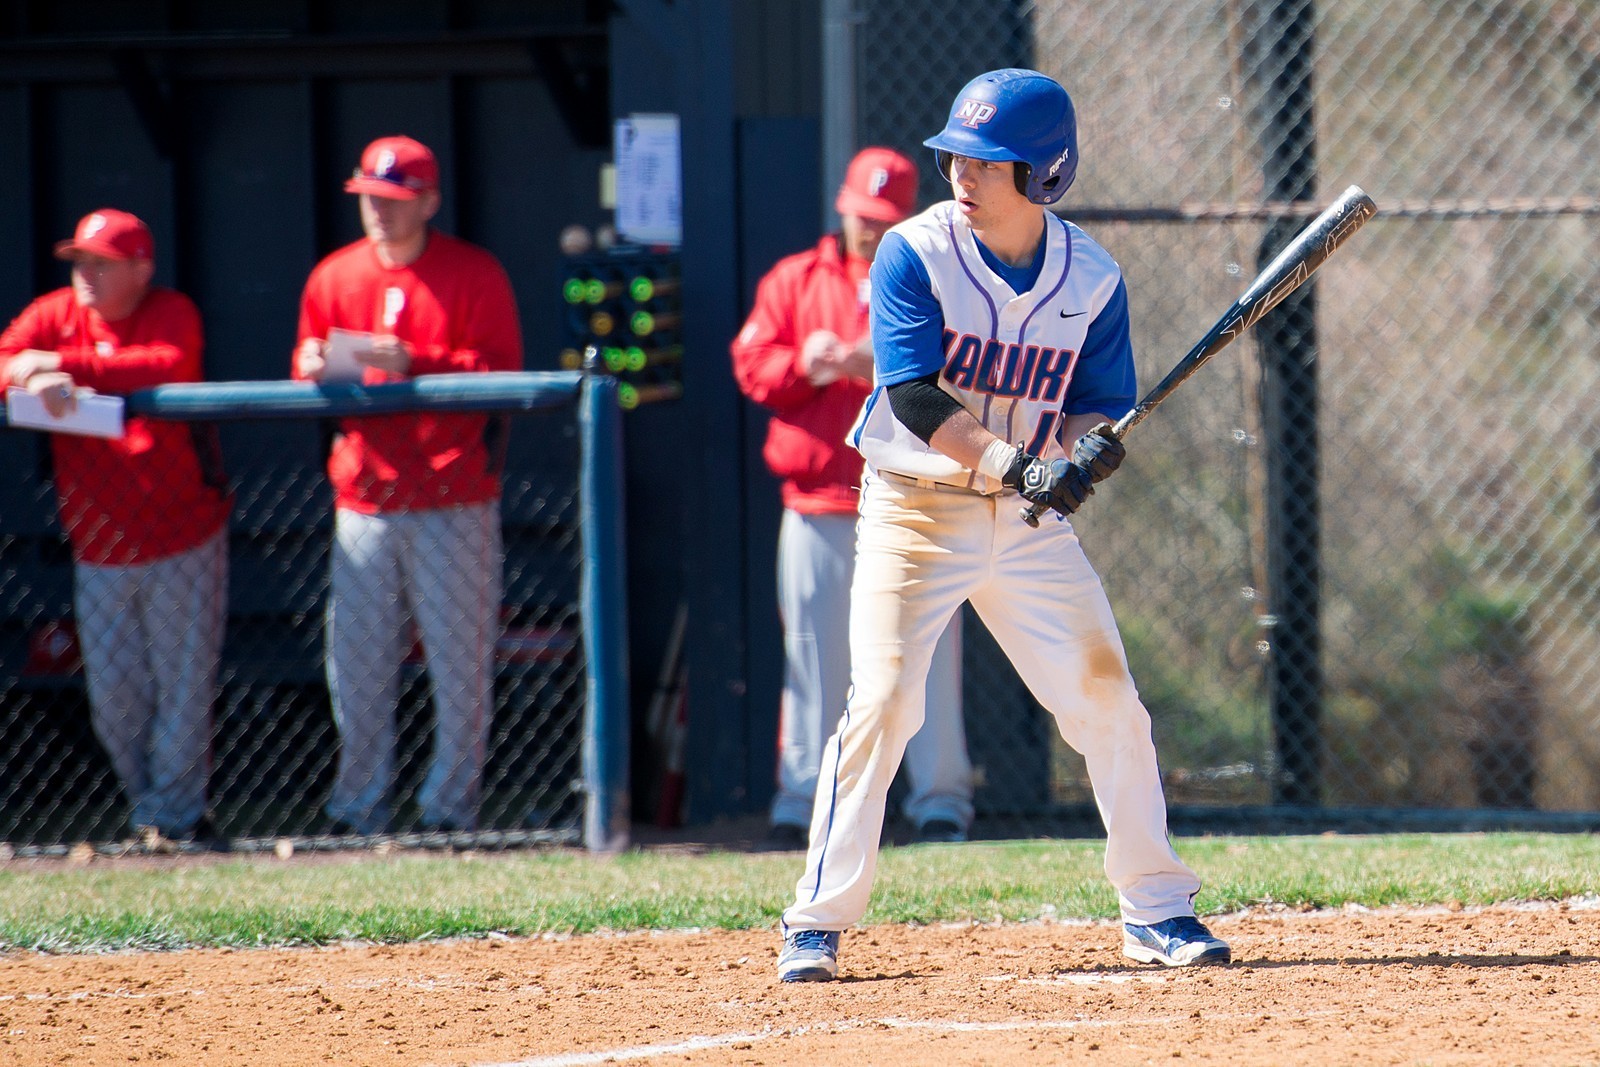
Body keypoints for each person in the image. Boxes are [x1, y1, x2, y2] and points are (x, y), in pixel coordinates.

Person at [777, 69, 1231, 981]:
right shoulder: (913, 251)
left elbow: (1096, 403)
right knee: (885, 700)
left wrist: (1085, 451)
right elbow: (913, 395)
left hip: (1026, 525)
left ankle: (1157, 908)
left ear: (1045, 172)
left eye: (988, 162)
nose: (963, 174)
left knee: (1108, 699)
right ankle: (815, 920)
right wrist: (1021, 462)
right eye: (957, 157)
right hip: (915, 510)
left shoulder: (1092, 277)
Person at [731, 147, 975, 850]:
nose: (869, 229)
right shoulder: (796, 278)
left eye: (883, 217)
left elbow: (967, 368)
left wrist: (884, 365)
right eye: (862, 215)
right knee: (814, 657)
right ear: (842, 206)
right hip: (818, 501)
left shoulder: (931, 275)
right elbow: (751, 363)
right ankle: (804, 799)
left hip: (917, 499)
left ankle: (940, 802)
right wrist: (802, 365)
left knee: (927, 656)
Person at [293, 135, 522, 835]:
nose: (379, 210)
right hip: (366, 497)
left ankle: (449, 810)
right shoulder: (334, 275)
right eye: (369, 196)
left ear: (429, 201)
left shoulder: (474, 272)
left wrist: (416, 361)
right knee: (356, 664)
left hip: (454, 496)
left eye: (394, 198)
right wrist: (312, 363)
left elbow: (503, 375)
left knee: (460, 666)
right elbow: (307, 364)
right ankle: (358, 807)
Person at [0, 208, 231, 848]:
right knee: (114, 697)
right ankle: (152, 806)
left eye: (101, 263)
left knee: (183, 688)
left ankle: (174, 820)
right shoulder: (55, 313)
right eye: (80, 261)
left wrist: (63, 367)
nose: (86, 274)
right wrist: (26, 372)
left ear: (141, 269)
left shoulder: (170, 310)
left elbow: (164, 361)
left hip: (181, 536)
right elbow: (7, 355)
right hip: (98, 542)